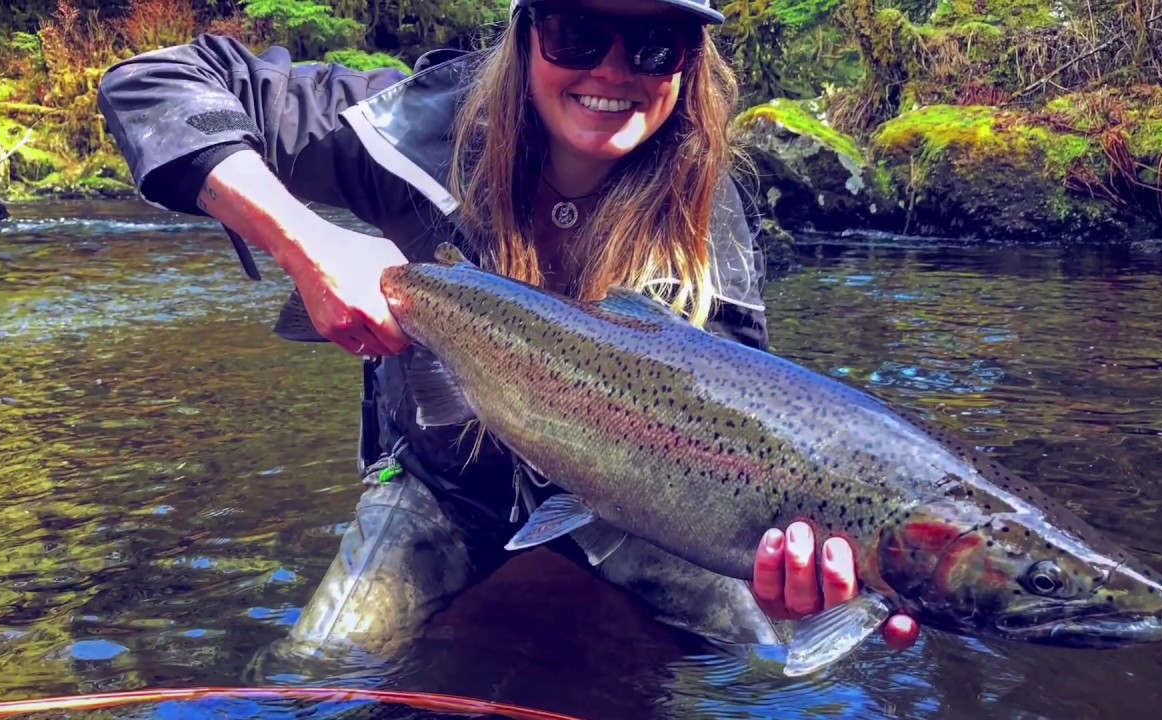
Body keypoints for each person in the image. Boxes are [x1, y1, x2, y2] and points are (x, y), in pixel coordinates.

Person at [97, 0, 919, 665]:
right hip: (443, 487)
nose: (611, 70)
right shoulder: (408, 125)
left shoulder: (711, 217)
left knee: (768, 671)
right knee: (322, 679)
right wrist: (305, 242)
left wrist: (781, 568)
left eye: (655, 44)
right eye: (578, 31)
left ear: (688, 64)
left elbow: (757, 423)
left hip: (635, 507)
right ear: (526, 33)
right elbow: (151, 84)